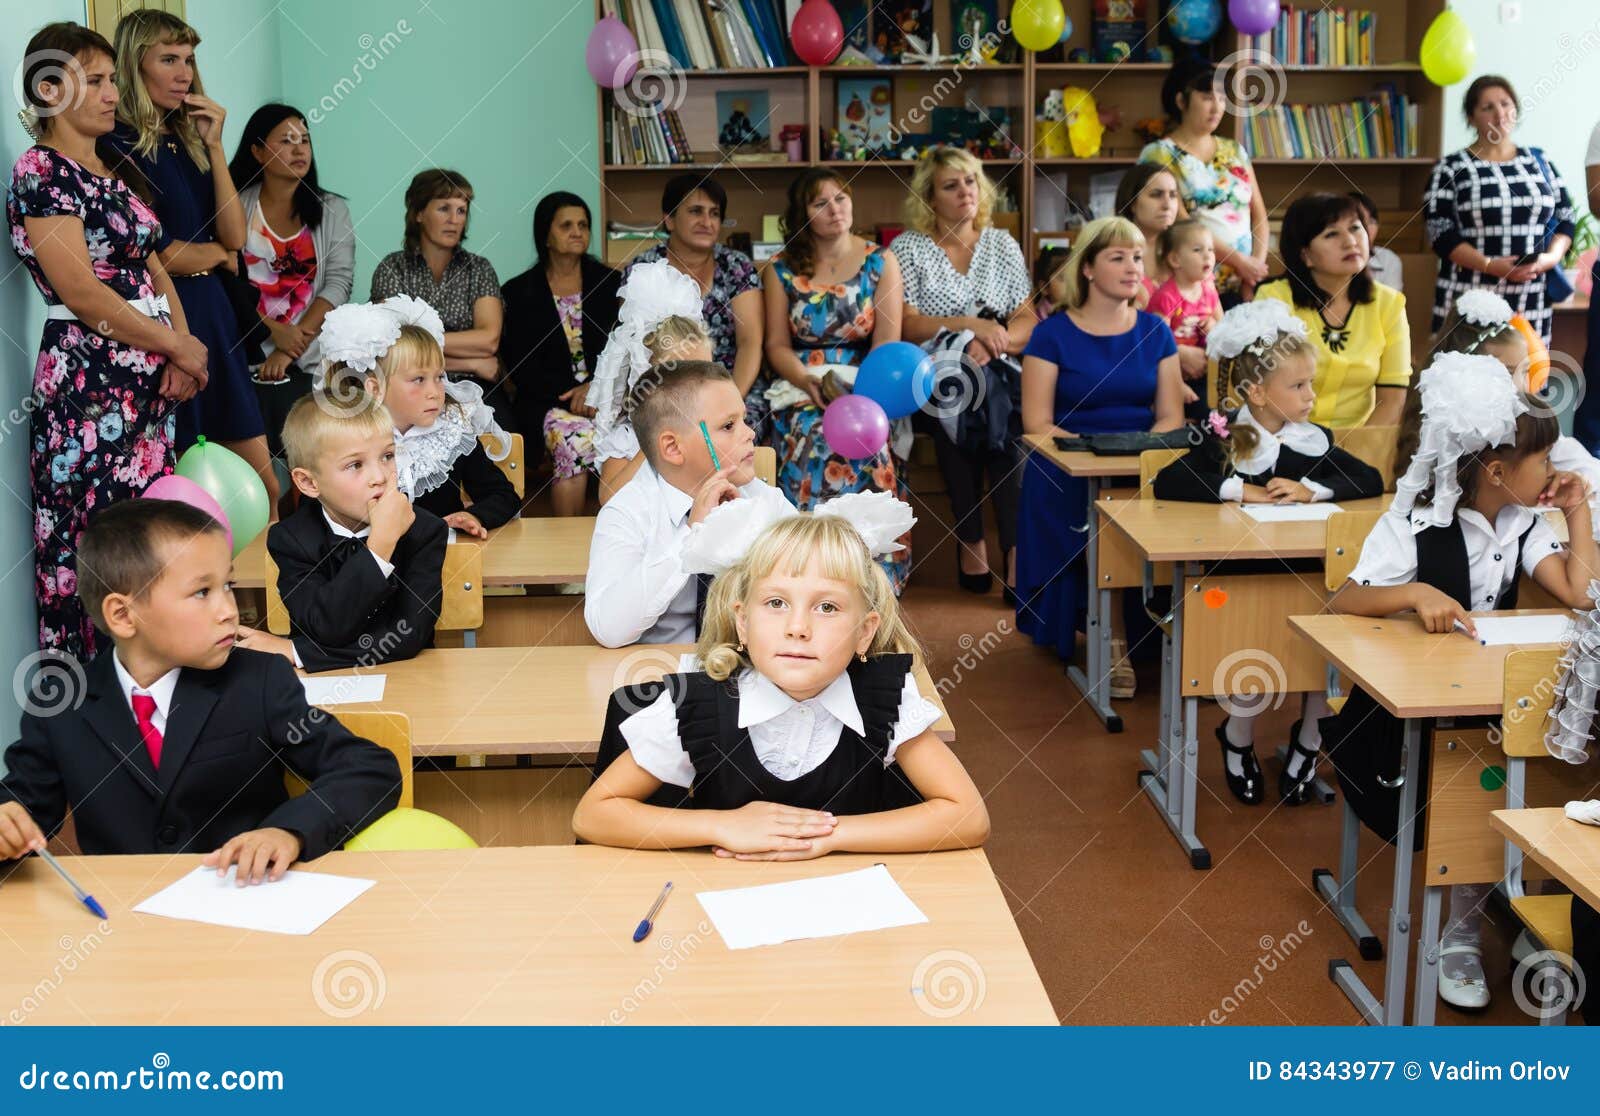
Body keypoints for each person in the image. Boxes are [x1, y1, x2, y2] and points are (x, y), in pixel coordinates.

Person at [1330, 353, 1599, 1012]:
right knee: (1472, 782)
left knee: (1552, 757)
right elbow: (1344, 600)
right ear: (1497, 472)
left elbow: (1581, 592)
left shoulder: (1521, 521)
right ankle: (1459, 931)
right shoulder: (1415, 523)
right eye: (1544, 460)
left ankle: (1531, 905)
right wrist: (1413, 592)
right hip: (1409, 715)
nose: (1554, 469)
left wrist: (1578, 510)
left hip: (1490, 701)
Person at [0, 499, 401, 873]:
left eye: (228, 586)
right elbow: (21, 809)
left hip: (243, 900)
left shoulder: (260, 680)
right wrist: (5, 825)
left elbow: (367, 768)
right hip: (121, 916)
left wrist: (289, 831)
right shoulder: (62, 705)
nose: (229, 611)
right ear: (123, 615)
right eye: (202, 592)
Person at [574, 499, 989, 856]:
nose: (798, 628)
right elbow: (594, 814)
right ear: (742, 622)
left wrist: (826, 837)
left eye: (827, 608)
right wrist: (722, 826)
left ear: (864, 632)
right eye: (776, 603)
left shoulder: (885, 700)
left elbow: (969, 816)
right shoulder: (698, 707)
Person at [8, 21, 208, 661]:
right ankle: (92, 701)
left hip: (148, 382)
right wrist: (172, 346)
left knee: (150, 543)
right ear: (48, 89)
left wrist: (182, 344)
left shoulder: (113, 166)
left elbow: (154, 266)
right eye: (94, 81)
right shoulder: (41, 170)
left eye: (112, 80)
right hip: (89, 385)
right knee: (95, 546)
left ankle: (159, 690)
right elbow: (82, 292)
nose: (112, 94)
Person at [1153, 301, 1383, 804]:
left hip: (1311, 578)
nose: (1310, 395)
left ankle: (1309, 741)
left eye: (1310, 384)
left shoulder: (1313, 440)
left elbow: (1369, 479)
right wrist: (1242, 489)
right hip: (1241, 581)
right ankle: (1236, 737)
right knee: (1253, 653)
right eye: (1298, 386)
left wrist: (1311, 490)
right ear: (1257, 393)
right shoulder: (1226, 435)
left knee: (1327, 652)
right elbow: (1170, 480)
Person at [108, 9, 275, 520]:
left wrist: (216, 147)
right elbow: (159, 254)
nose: (184, 73)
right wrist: (216, 255)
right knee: (186, 487)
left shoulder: (189, 137)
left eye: (189, 60)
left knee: (263, 482)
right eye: (169, 59)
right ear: (135, 64)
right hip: (167, 317)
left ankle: (275, 573)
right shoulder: (115, 143)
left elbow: (235, 237)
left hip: (216, 312)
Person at [1015, 216, 1185, 682]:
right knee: (1090, 515)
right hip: (1068, 465)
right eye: (1118, 257)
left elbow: (1171, 416)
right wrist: (1087, 461)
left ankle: (1161, 631)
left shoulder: (1156, 331)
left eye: (1138, 257)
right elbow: (1037, 424)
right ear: (1088, 268)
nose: (1133, 267)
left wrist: (1139, 457)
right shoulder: (1051, 334)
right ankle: (1110, 636)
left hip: (1140, 461)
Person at [891, 148, 1033, 598]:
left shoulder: (1001, 245)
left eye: (970, 181)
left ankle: (1010, 548)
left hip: (998, 368)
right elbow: (906, 324)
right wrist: (969, 328)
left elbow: (1027, 320)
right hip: (932, 373)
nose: (964, 191)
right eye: (950, 185)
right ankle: (976, 539)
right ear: (929, 197)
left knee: (1001, 411)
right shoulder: (908, 248)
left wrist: (991, 344)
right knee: (957, 400)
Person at [763, 170, 912, 592]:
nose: (835, 209)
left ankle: (873, 578)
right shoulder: (780, 269)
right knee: (811, 433)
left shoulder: (881, 261)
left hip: (867, 383)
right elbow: (776, 345)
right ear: (802, 214)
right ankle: (806, 571)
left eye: (841, 198)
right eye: (821, 203)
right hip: (802, 381)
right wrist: (807, 381)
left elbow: (886, 346)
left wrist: (862, 396)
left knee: (869, 441)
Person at [584, 361, 793, 648]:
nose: (750, 433)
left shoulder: (764, 500)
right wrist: (690, 535)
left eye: (744, 420)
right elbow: (609, 629)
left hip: (751, 663)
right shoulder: (627, 512)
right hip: (658, 668)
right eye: (729, 425)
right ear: (673, 448)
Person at [243, 394, 446, 672]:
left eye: (387, 456)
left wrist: (296, 651)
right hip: (320, 687)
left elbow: (408, 637)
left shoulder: (425, 531)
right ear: (308, 482)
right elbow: (327, 627)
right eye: (355, 465)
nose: (380, 477)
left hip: (412, 680)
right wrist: (378, 551)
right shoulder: (290, 540)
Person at [227, 102, 355, 479]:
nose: (299, 150)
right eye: (286, 140)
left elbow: (338, 282)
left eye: (305, 140)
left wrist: (290, 346)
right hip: (247, 352)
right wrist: (271, 331)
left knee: (315, 454)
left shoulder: (332, 209)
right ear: (257, 151)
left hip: (310, 356)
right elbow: (229, 283)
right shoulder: (237, 206)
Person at [1425, 75, 1574, 346]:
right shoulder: (1450, 168)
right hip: (1470, 297)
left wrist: (1550, 259)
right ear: (1471, 117)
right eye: (1488, 107)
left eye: (1506, 104)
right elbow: (1440, 232)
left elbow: (1566, 217)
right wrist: (1489, 265)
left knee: (1527, 369)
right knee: (1466, 368)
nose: (1499, 114)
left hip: (1531, 297)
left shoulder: (1539, 161)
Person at [352, 296, 518, 535]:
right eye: (419, 379)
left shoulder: (452, 433)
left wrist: (474, 515)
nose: (434, 392)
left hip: (444, 555)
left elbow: (503, 496)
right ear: (376, 388)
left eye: (439, 377)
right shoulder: (348, 440)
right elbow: (319, 511)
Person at [498, 191, 620, 509]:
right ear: (545, 235)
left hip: (608, 397)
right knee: (574, 439)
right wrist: (574, 397)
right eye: (566, 225)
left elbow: (625, 347)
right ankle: (568, 536)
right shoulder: (518, 292)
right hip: (546, 403)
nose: (577, 231)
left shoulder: (611, 284)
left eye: (583, 225)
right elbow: (520, 365)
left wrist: (597, 388)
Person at [1255, 192, 1411, 428]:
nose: (1350, 241)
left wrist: (1354, 450)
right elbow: (1263, 392)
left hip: (1363, 440)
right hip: (1287, 438)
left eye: (1355, 228)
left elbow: (1392, 401)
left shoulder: (1390, 304)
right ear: (1305, 255)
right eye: (1331, 234)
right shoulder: (1274, 299)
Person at [625, 175, 766, 437]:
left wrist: (729, 402)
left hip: (732, 384)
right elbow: (633, 347)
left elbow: (750, 343)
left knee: (732, 435)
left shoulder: (737, 266)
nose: (707, 221)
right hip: (662, 389)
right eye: (695, 211)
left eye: (714, 213)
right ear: (669, 219)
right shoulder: (644, 269)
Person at [370, 169, 505, 421]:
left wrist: (420, 342)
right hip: (410, 387)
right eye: (444, 208)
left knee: (499, 431)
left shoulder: (479, 268)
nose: (454, 219)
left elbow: (488, 340)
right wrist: (472, 363)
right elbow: (391, 347)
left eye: (461, 210)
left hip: (474, 387)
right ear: (419, 213)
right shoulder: (392, 267)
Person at [1139, 60, 1270, 302]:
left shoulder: (1235, 150)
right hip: (1191, 287)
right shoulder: (1159, 154)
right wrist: (1241, 262)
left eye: (1222, 98)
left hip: (1245, 283)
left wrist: (1254, 270)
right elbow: (1181, 222)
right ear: (1181, 101)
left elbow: (1259, 215)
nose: (1217, 107)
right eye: (1207, 97)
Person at [588, 257, 713, 503]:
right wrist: (654, 443)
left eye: (703, 374)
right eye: (680, 377)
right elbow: (609, 499)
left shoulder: (712, 430)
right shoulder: (627, 441)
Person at [1147, 218, 1222, 411]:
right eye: (1197, 250)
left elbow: (1224, 330)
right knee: (1204, 407)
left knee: (1222, 403)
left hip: (1202, 370)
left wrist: (1213, 326)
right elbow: (1156, 343)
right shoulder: (1166, 297)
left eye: (1211, 249)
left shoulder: (1209, 291)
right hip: (1168, 372)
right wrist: (1177, 383)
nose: (1207, 255)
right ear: (1175, 260)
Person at [1114, 162, 1182, 306]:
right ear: (1132, 203)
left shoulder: (1187, 249)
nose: (1167, 205)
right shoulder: (1110, 253)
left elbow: (1215, 314)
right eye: (1156, 195)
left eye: (1173, 195)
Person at [1348, 190, 1402, 292]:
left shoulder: (1389, 260)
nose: (1366, 228)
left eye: (1372, 221)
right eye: (1359, 221)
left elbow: (1391, 300)